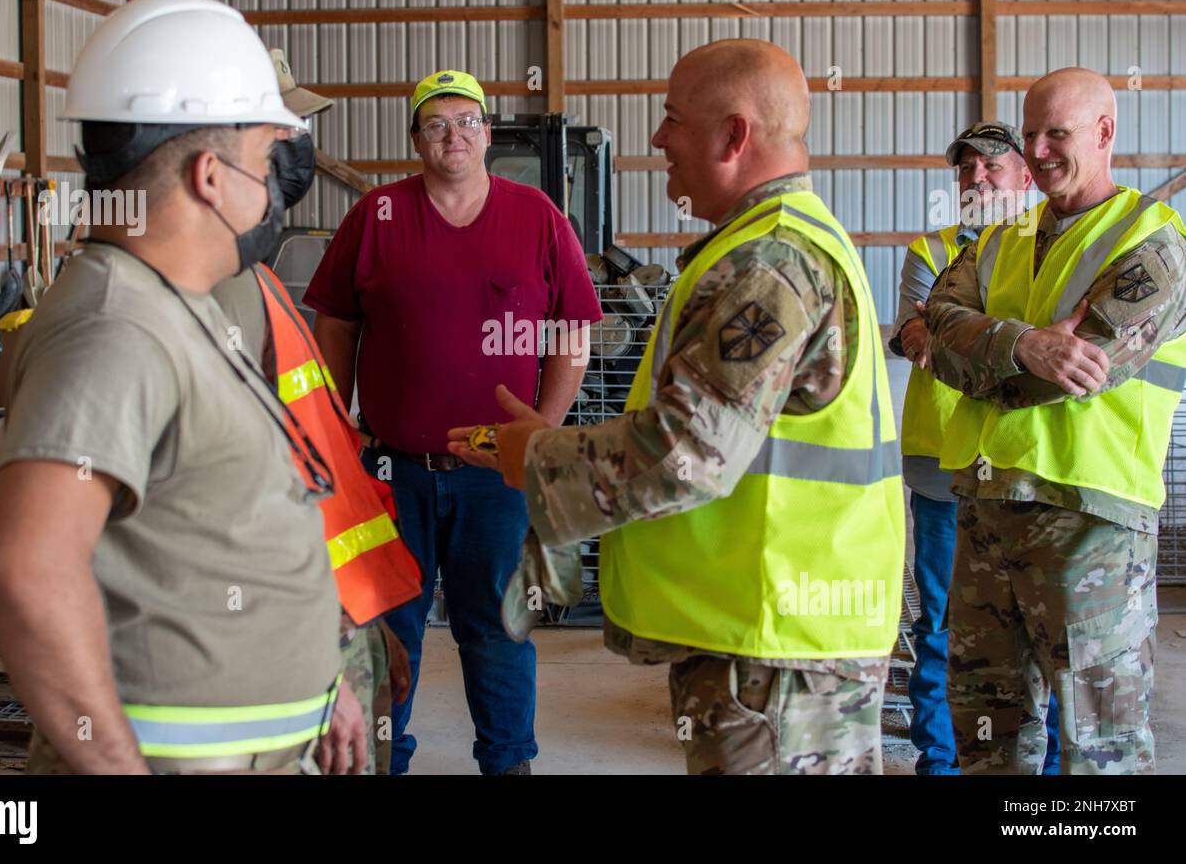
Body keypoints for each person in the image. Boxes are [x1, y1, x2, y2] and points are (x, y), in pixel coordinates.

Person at [448, 39, 906, 775]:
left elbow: (689, 453)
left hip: (773, 648)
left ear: (734, 135)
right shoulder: (776, 243)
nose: (658, 139)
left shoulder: (768, 262)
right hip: (771, 637)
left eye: (672, 119)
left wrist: (533, 457)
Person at [0, 0, 345, 775]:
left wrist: (322, 669)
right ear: (212, 176)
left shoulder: (174, 305)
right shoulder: (118, 329)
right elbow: (26, 568)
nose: (278, 182)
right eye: (264, 154)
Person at [304, 69, 602, 775]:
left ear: (488, 134)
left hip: (494, 478)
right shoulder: (375, 216)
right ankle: (380, 759)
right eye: (437, 124)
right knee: (386, 631)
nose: (454, 135)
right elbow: (336, 323)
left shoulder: (536, 216)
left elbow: (574, 331)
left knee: (497, 630)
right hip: (392, 471)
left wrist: (541, 433)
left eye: (467, 121)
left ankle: (507, 763)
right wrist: (339, 434)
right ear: (416, 139)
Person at [925, 67, 1186, 774]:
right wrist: (1025, 345)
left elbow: (1082, 371)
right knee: (986, 728)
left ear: (1105, 134)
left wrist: (982, 358)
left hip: (1090, 521)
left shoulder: (1153, 246)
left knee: (1099, 743)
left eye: (1056, 133)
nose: (1036, 150)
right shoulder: (1002, 238)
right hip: (986, 507)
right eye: (1030, 132)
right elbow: (934, 331)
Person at [212, 49, 419, 775]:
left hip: (333, 623)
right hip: (291, 651)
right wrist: (322, 671)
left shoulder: (255, 283)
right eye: (281, 126)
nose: (299, 141)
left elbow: (319, 472)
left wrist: (367, 624)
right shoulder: (210, 301)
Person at [891, 121, 1060, 774]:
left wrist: (975, 335)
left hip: (1032, 461)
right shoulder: (930, 249)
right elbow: (926, 343)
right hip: (945, 466)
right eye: (966, 169)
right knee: (942, 628)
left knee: (1047, 637)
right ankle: (941, 765)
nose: (976, 178)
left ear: (1025, 174)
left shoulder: (1055, 245)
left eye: (991, 166)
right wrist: (1016, 344)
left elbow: (1043, 349)